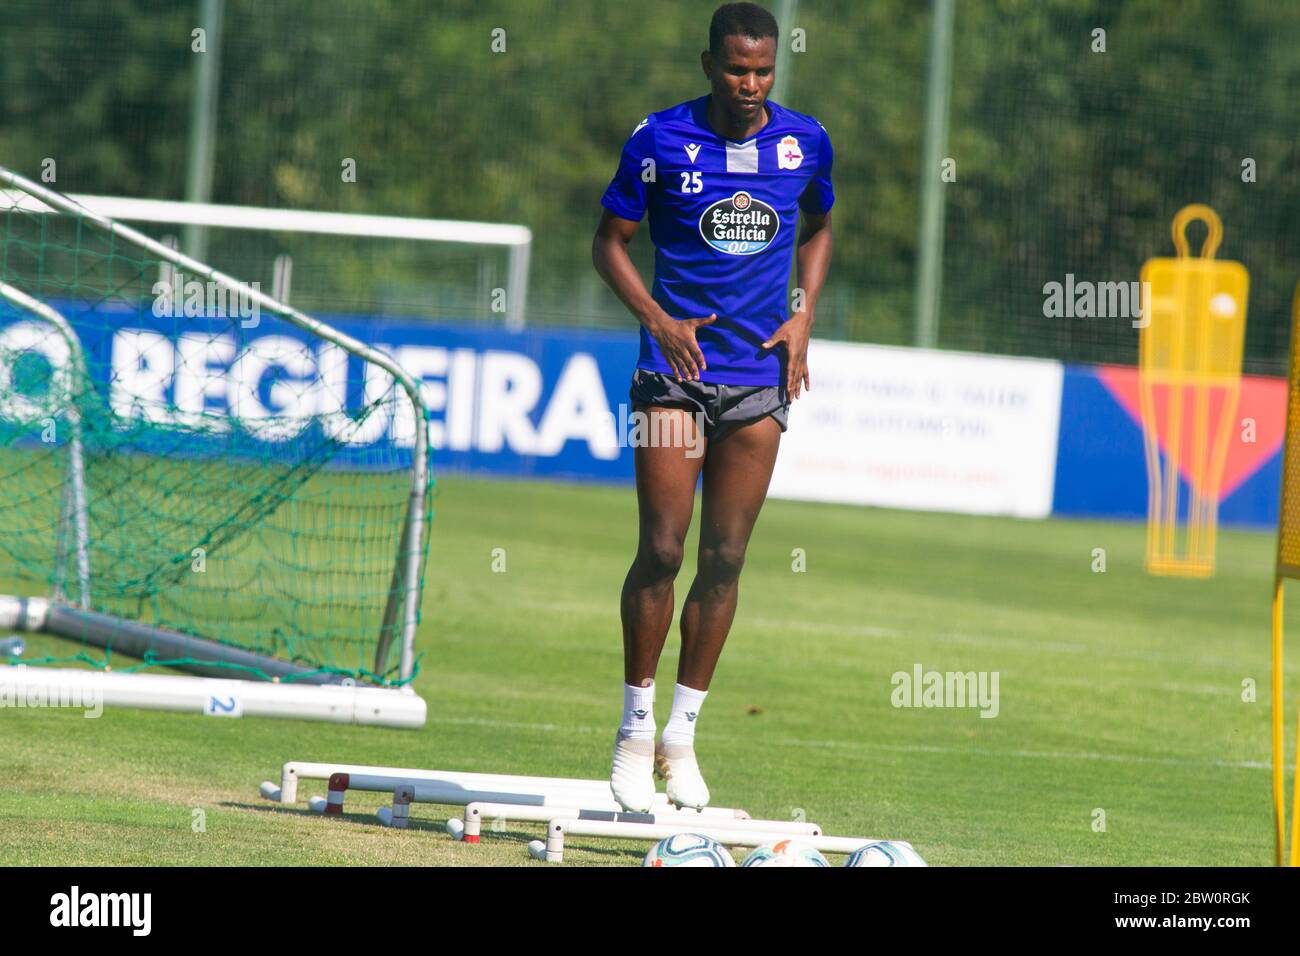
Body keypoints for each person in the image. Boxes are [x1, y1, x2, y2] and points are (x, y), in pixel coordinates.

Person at [591, 1, 834, 812]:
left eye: (764, 70)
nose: (751, 84)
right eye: (737, 69)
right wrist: (657, 319)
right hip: (670, 374)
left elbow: (821, 225)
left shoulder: (804, 141)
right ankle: (632, 729)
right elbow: (608, 242)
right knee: (662, 549)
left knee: (725, 559)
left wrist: (804, 312)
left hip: (759, 379)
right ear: (708, 65)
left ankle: (682, 739)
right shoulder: (658, 138)